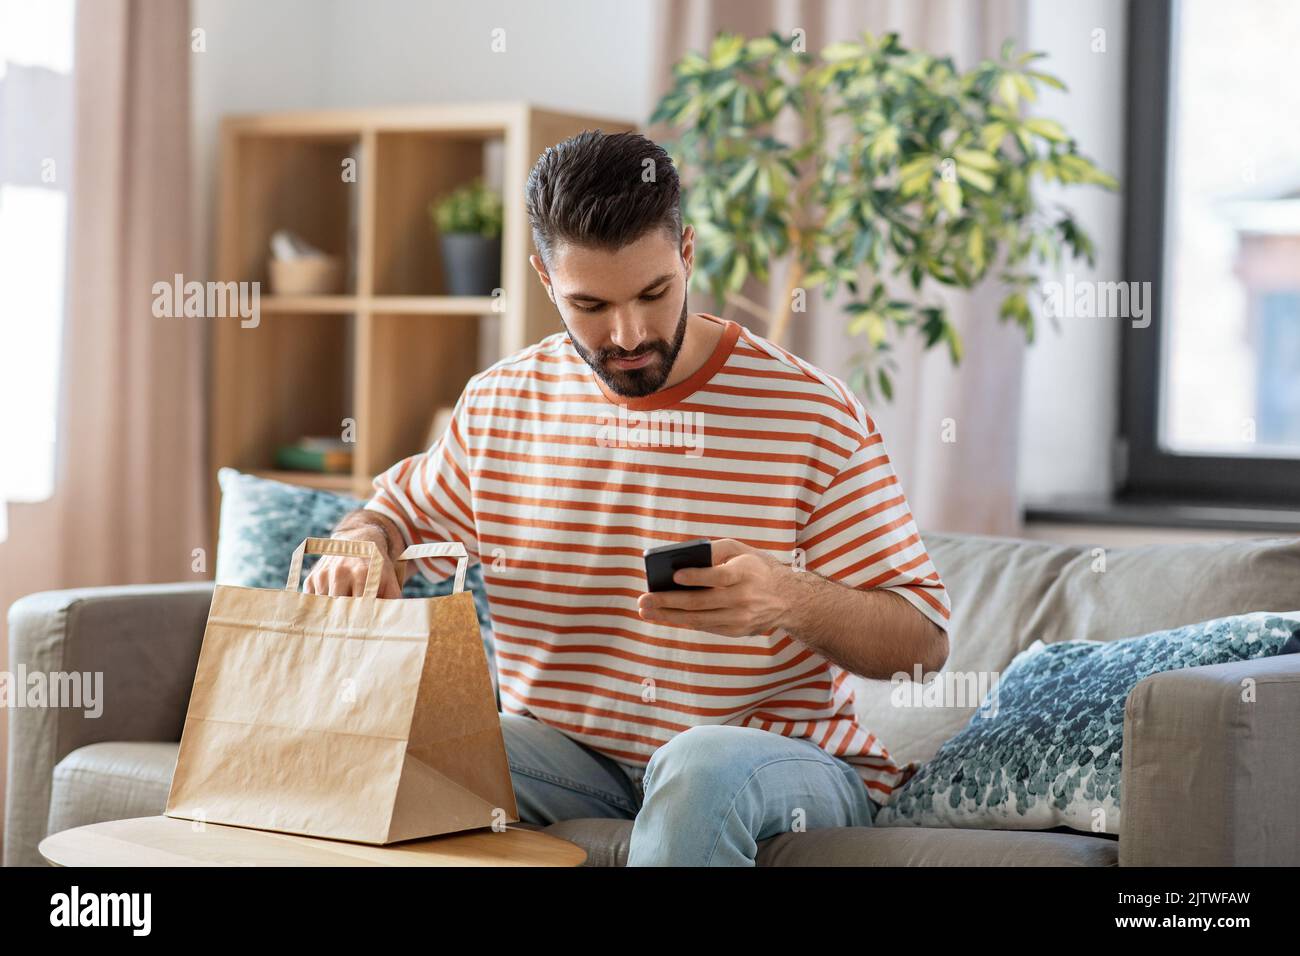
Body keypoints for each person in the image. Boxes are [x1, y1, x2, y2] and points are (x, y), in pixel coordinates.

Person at [305, 129, 951, 866]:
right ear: (545, 284)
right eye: (590, 305)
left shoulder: (812, 414)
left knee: (698, 767)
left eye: (654, 293)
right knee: (404, 746)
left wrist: (785, 598)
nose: (630, 333)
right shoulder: (503, 404)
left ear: (688, 254)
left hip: (775, 763)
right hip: (572, 760)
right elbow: (391, 514)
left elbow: (923, 644)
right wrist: (364, 543)